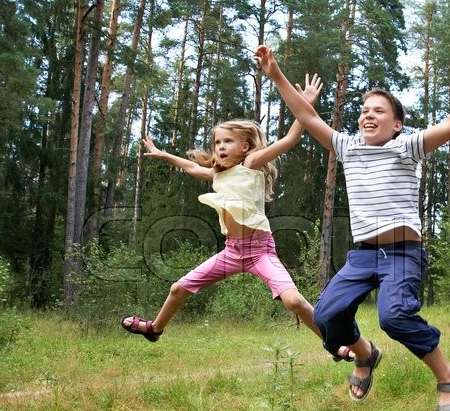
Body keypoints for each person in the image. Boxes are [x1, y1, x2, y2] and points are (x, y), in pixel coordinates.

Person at [253, 44, 450, 411]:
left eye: (379, 111)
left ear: (396, 125)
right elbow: (305, 114)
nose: (367, 115)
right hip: (363, 255)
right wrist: (275, 74)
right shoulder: (348, 148)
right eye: (363, 111)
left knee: (394, 316)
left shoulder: (405, 148)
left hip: (403, 252)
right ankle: (365, 354)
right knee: (325, 316)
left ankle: (449, 376)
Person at [120, 74, 354, 363]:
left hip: (260, 251)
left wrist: (304, 102)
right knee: (178, 288)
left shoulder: (252, 164)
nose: (220, 146)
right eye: (217, 142)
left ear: (244, 146)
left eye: (227, 141)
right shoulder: (217, 174)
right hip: (232, 252)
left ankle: (331, 343)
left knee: (293, 300)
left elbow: (291, 138)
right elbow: (193, 168)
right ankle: (154, 329)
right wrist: (163, 153)